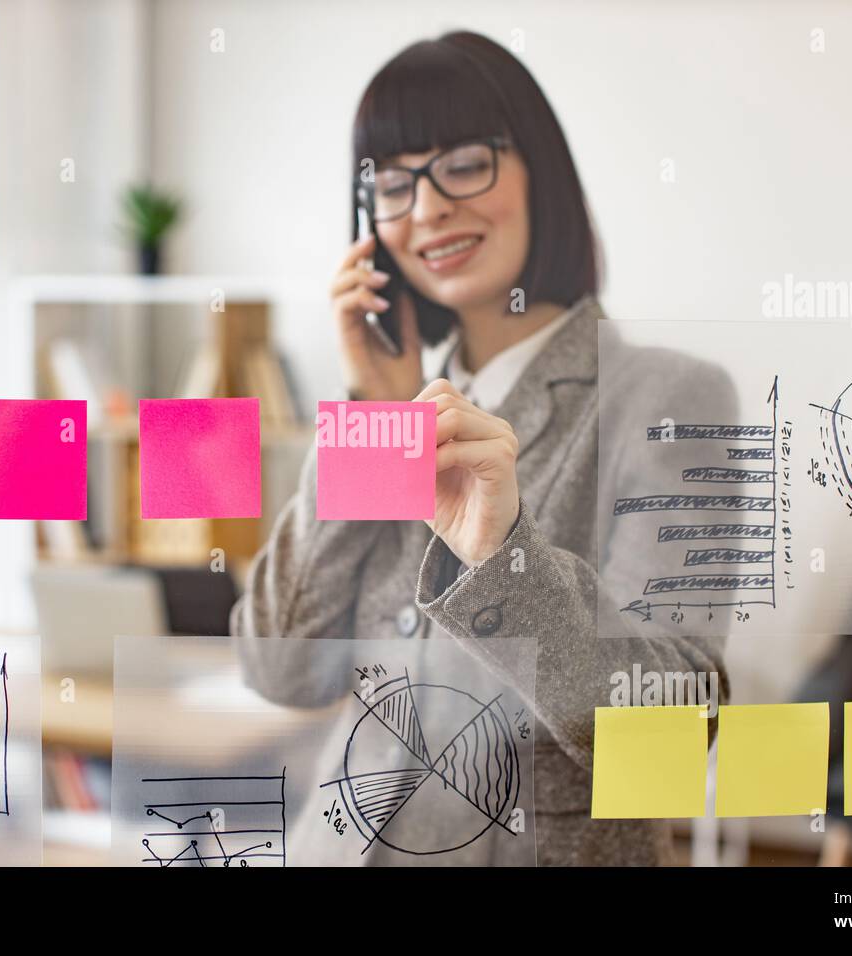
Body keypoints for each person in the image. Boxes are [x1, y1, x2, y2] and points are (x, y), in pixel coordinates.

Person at [232, 30, 736, 865]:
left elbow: (671, 733)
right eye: (393, 184)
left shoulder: (671, 397)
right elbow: (282, 670)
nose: (427, 208)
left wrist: (504, 555)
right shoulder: (399, 410)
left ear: (540, 171)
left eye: (464, 163)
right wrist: (371, 414)